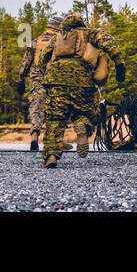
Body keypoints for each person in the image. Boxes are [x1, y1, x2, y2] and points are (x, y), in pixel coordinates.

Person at [39, 11, 118, 168]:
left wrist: (49, 74)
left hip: (56, 81)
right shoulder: (90, 34)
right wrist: (119, 63)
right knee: (85, 112)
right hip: (82, 81)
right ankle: (82, 126)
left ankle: (51, 155)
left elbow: (42, 58)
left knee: (55, 119)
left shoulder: (57, 37)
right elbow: (109, 43)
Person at [17, 15, 63, 151]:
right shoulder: (60, 42)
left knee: (37, 106)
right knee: (56, 108)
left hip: (37, 78)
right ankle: (56, 141)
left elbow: (26, 63)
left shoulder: (35, 42)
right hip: (54, 78)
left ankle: (34, 136)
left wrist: (21, 79)